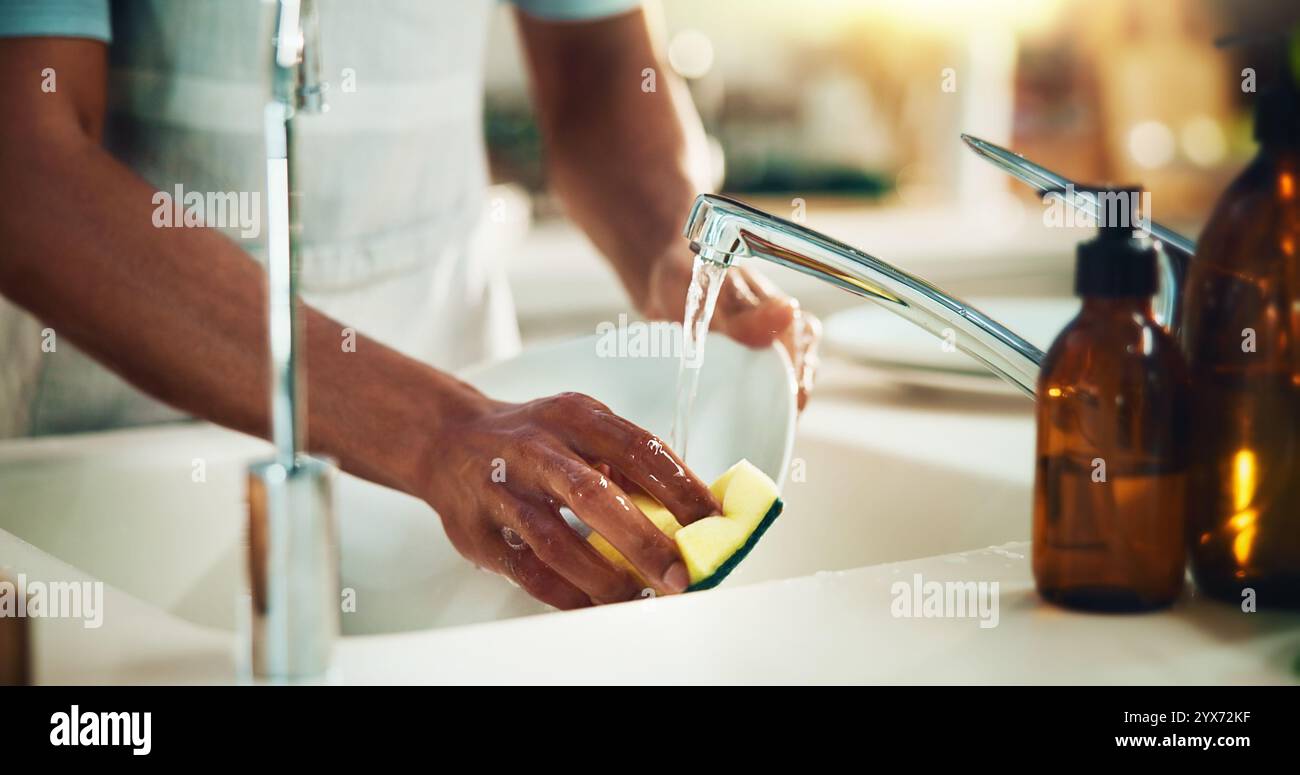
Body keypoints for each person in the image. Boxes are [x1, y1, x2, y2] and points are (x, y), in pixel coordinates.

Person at [0, 0, 819, 608]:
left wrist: (673, 245)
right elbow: (23, 166)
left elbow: (600, 64)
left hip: (483, 429)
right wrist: (434, 427)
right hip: (135, 463)